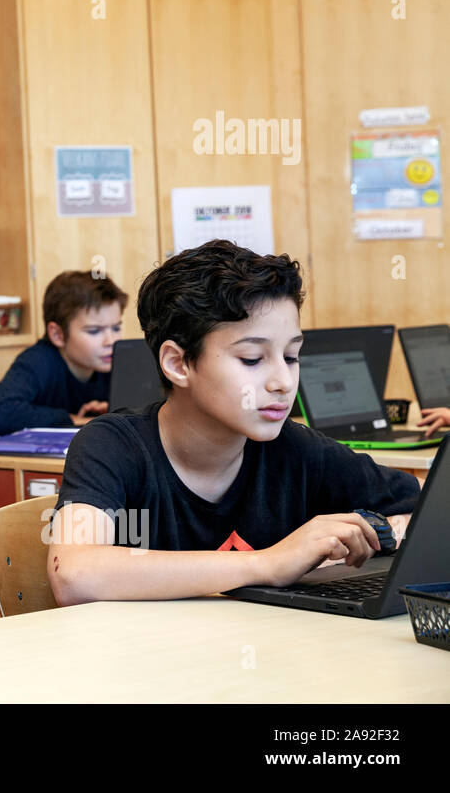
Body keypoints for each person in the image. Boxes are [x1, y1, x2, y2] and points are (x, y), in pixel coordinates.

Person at [47, 240, 421, 606]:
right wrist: (267, 563)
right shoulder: (112, 445)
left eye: (291, 356)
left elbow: (427, 503)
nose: (283, 382)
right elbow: (75, 573)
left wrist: (377, 534)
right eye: (252, 359)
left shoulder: (295, 449)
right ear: (178, 364)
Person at [0, 271, 126, 435]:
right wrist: (72, 420)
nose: (111, 341)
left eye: (116, 328)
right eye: (94, 331)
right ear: (57, 334)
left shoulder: (115, 360)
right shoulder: (39, 361)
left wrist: (116, 411)